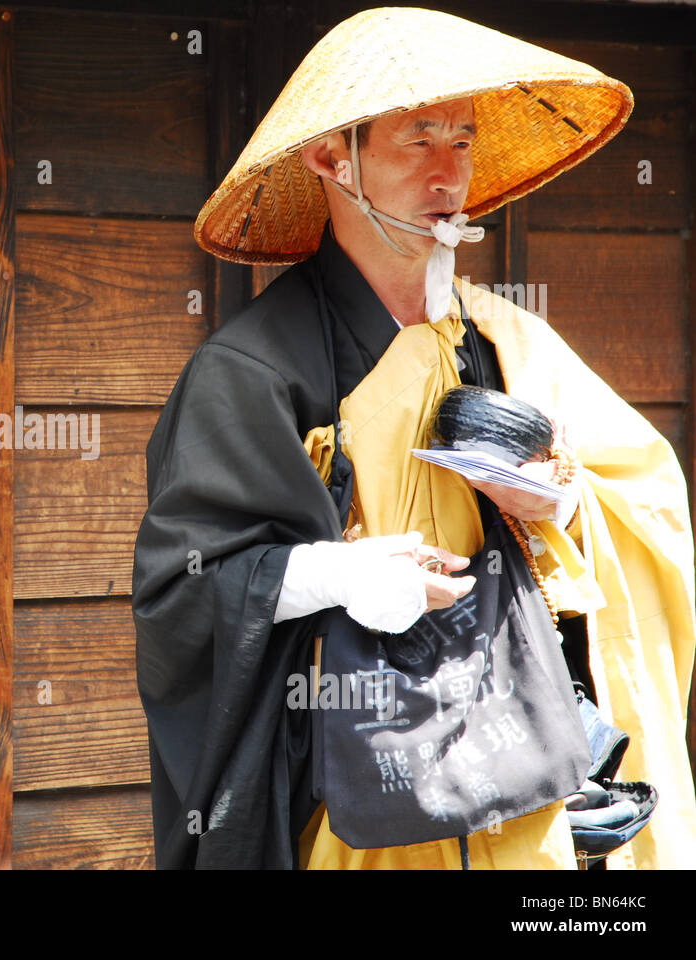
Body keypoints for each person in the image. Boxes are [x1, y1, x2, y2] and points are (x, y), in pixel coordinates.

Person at [132, 6, 696, 869]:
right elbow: (180, 591)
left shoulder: (508, 340)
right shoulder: (251, 370)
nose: (449, 176)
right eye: (418, 140)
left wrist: (567, 507)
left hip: (522, 783)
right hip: (356, 801)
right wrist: (334, 577)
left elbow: (649, 496)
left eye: (463, 142)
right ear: (333, 157)